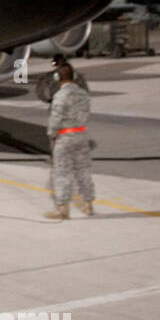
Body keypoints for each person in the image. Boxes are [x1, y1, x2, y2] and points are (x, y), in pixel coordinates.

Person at [44, 63, 95, 218]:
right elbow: (87, 114)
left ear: (58, 78)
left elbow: (56, 119)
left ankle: (62, 209)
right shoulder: (84, 94)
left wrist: (52, 134)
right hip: (81, 134)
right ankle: (88, 204)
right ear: (73, 77)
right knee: (83, 171)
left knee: (62, 173)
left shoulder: (60, 96)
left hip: (65, 137)